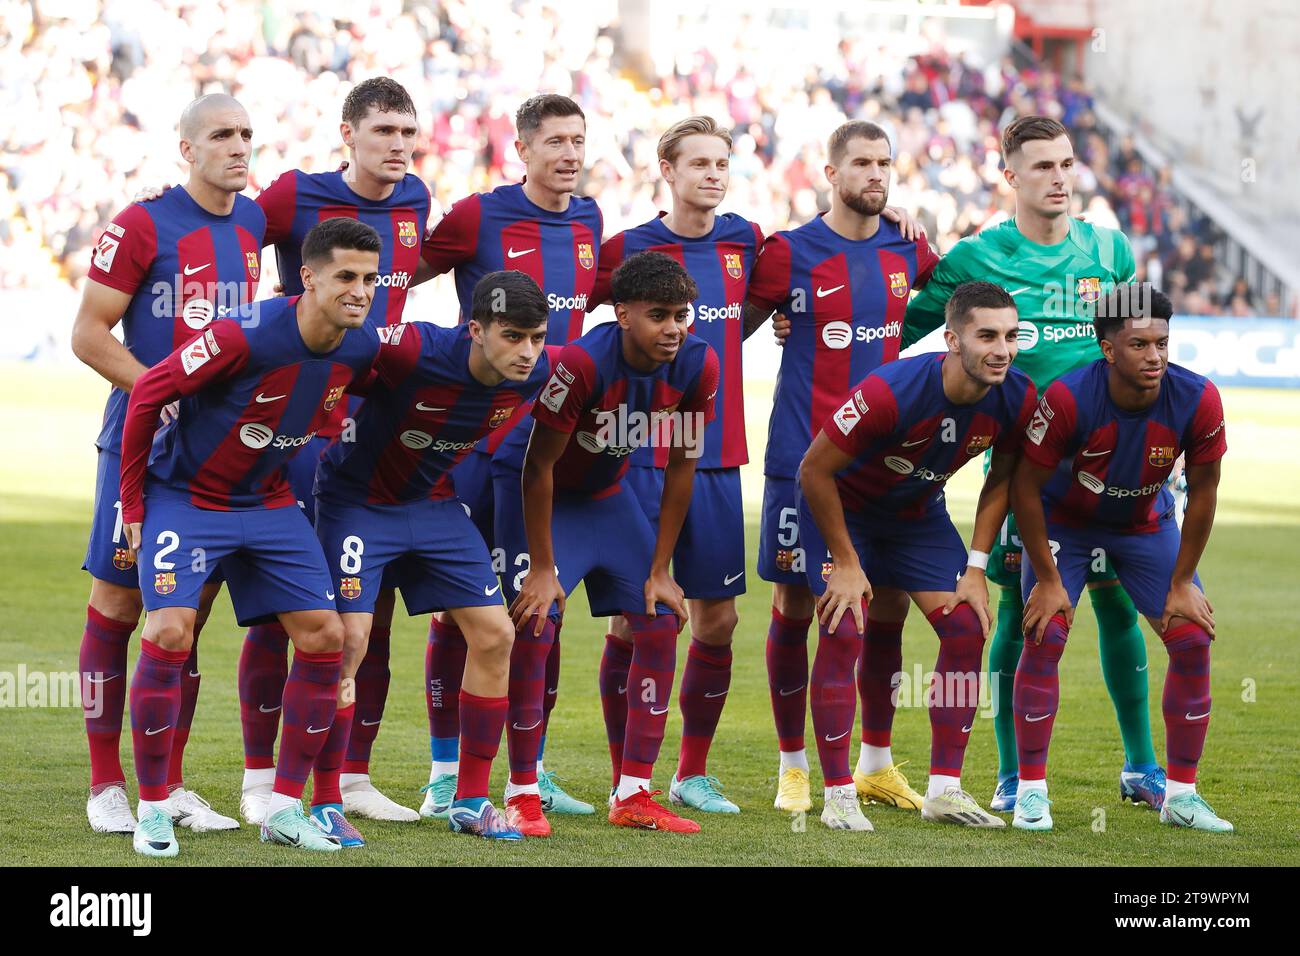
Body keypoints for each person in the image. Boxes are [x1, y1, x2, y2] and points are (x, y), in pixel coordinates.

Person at [903, 115, 1163, 814]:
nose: (1059, 179)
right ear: (1010, 176)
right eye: (1042, 167)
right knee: (1022, 617)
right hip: (1028, 474)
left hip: (1113, 469)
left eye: (1067, 164)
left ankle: (1141, 766)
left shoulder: (1109, 250)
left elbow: (1140, 346)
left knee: (1117, 610)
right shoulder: (976, 257)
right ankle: (1013, 775)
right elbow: (894, 327)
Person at [117, 217, 386, 855]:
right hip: (187, 499)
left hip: (268, 505)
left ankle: (287, 808)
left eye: (370, 278)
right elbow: (150, 390)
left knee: (327, 635)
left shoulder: (360, 348)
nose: (360, 290)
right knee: (170, 630)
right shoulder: (246, 333)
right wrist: (132, 500)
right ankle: (152, 809)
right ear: (309, 277)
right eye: (346, 276)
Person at [70, 93, 263, 837]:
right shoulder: (142, 223)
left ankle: (170, 783)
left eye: (246, 133)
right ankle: (104, 785)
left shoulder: (251, 223)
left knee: (184, 617)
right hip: (143, 446)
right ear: (186, 148)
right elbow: (88, 334)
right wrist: (159, 391)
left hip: (218, 455)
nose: (238, 145)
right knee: (118, 608)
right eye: (221, 134)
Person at [312, 270, 554, 842]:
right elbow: (324, 345)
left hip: (434, 504)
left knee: (496, 635)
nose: (527, 352)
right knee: (350, 643)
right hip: (357, 502)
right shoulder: (414, 348)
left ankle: (470, 799)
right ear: (475, 329)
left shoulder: (544, 369)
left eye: (537, 338)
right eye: (513, 336)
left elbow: (606, 364)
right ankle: (324, 801)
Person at [417, 93, 603, 818]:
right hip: (474, 442)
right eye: (554, 140)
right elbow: (401, 275)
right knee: (455, 613)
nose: (568, 153)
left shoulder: (588, 221)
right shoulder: (476, 215)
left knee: (537, 609)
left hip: (547, 447)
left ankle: (531, 769)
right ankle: (442, 775)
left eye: (577, 140)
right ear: (521, 149)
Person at [744, 120, 938, 816]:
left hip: (881, 467)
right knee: (800, 606)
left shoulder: (907, 247)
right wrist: (777, 322)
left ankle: (876, 764)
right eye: (861, 163)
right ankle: (793, 766)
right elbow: (731, 328)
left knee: (882, 610)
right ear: (831, 173)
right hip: (802, 460)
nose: (876, 174)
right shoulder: (788, 253)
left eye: (885, 163)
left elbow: (943, 301)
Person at [798, 282, 1036, 829]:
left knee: (966, 628)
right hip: (844, 512)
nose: (1002, 349)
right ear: (952, 340)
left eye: (1010, 335)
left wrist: (976, 569)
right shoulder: (893, 390)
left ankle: (944, 791)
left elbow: (1002, 478)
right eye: (986, 336)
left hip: (916, 518)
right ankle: (837, 793)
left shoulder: (1019, 395)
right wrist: (847, 561)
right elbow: (813, 470)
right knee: (844, 623)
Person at [508, 251, 718, 834]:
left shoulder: (699, 365)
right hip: (543, 495)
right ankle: (522, 790)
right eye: (659, 315)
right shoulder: (580, 363)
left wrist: (660, 568)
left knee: (658, 618)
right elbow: (537, 467)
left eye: (682, 314)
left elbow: (681, 468)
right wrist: (543, 566)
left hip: (608, 496)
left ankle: (633, 793)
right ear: (622, 313)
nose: (674, 328)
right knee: (535, 620)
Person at [589, 116, 763, 814]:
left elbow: (769, 304)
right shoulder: (628, 249)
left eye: (722, 162)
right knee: (637, 620)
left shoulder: (746, 240)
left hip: (716, 457)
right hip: (639, 461)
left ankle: (691, 773)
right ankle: (623, 777)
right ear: (667, 169)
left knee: (716, 621)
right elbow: (582, 318)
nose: (713, 174)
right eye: (698, 163)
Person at [1010, 286, 1231, 832]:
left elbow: (1203, 493)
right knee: (1046, 629)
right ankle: (1031, 793)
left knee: (1191, 636)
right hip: (1065, 522)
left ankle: (1180, 795)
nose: (1154, 356)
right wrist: (1047, 576)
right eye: (1139, 344)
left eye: (1162, 343)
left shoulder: (1197, 398)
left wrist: (1182, 582)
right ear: (1108, 349)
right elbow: (1024, 488)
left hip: (1144, 524)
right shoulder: (1068, 398)